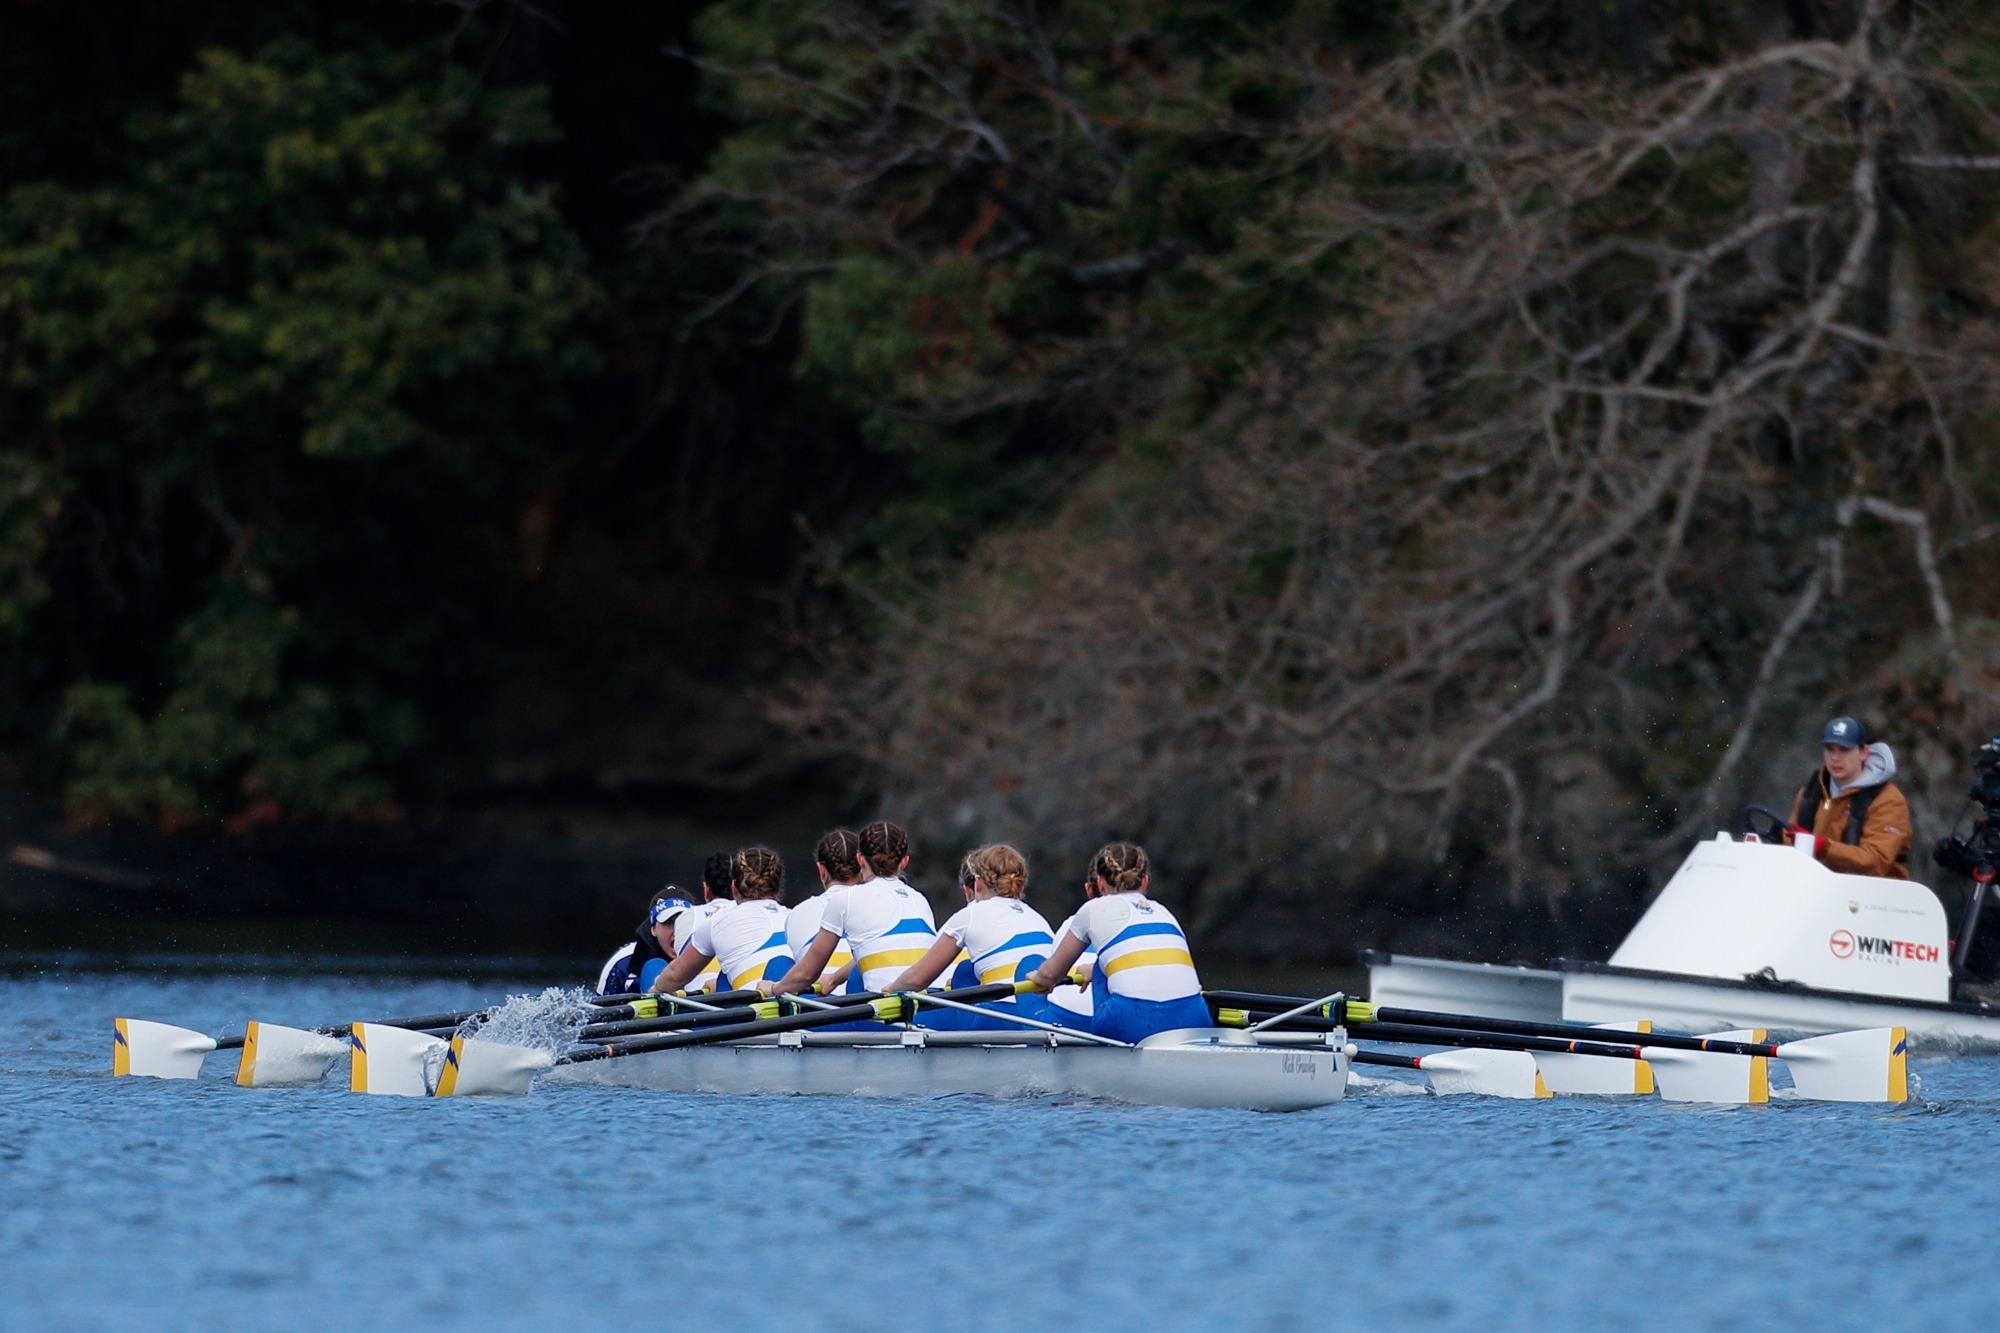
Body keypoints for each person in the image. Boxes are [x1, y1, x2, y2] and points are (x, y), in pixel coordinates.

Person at [1023, 842, 1209, 1042]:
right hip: (1194, 1018)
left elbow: (1050, 974)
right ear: (1145, 881)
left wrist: (1040, 980)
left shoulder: (1093, 909)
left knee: (1092, 968)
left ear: (1100, 883)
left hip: (1131, 1022)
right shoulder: (1166, 913)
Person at [888, 844, 1072, 1030]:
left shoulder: (971, 914)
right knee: (969, 971)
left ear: (977, 883)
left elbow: (917, 980)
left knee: (963, 972)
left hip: (1000, 1017)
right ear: (1020, 885)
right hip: (1042, 1015)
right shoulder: (1039, 919)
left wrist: (889, 990)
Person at [766, 820, 936, 997]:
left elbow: (807, 974)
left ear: (860, 860)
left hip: (887, 1017)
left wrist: (773, 990)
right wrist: (833, 979)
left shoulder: (845, 900)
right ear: (904, 862)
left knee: (778, 966)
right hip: (930, 1006)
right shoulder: (920, 899)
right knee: (857, 975)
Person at [649, 847, 795, 995]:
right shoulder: (795, 916)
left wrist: (656, 989)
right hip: (804, 1004)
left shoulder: (717, 922)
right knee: (724, 979)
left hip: (755, 1011)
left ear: (734, 889)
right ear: (777, 890)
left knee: (653, 968)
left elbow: (674, 976)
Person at [1787, 716, 1913, 879]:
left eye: (1844, 749)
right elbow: (1787, 840)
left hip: (1875, 896)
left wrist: (1824, 848)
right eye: (1829, 749)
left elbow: (1876, 862)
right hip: (1820, 887)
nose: (1835, 758)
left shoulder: (1889, 800)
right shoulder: (1811, 792)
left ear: (1863, 753)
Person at [786, 828, 862, 992]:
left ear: (821, 870)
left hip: (818, 1006)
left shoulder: (797, 913)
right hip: (865, 1004)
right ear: (862, 865)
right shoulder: (878, 905)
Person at [595, 890, 693, 995]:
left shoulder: (710, 952)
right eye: (668, 923)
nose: (676, 931)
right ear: (653, 929)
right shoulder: (621, 964)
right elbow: (600, 1009)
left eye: (683, 922)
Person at [671, 851, 736, 992]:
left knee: (654, 965)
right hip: (736, 998)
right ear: (735, 888)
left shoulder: (687, 917)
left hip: (695, 1004)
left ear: (706, 889)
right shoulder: (748, 913)